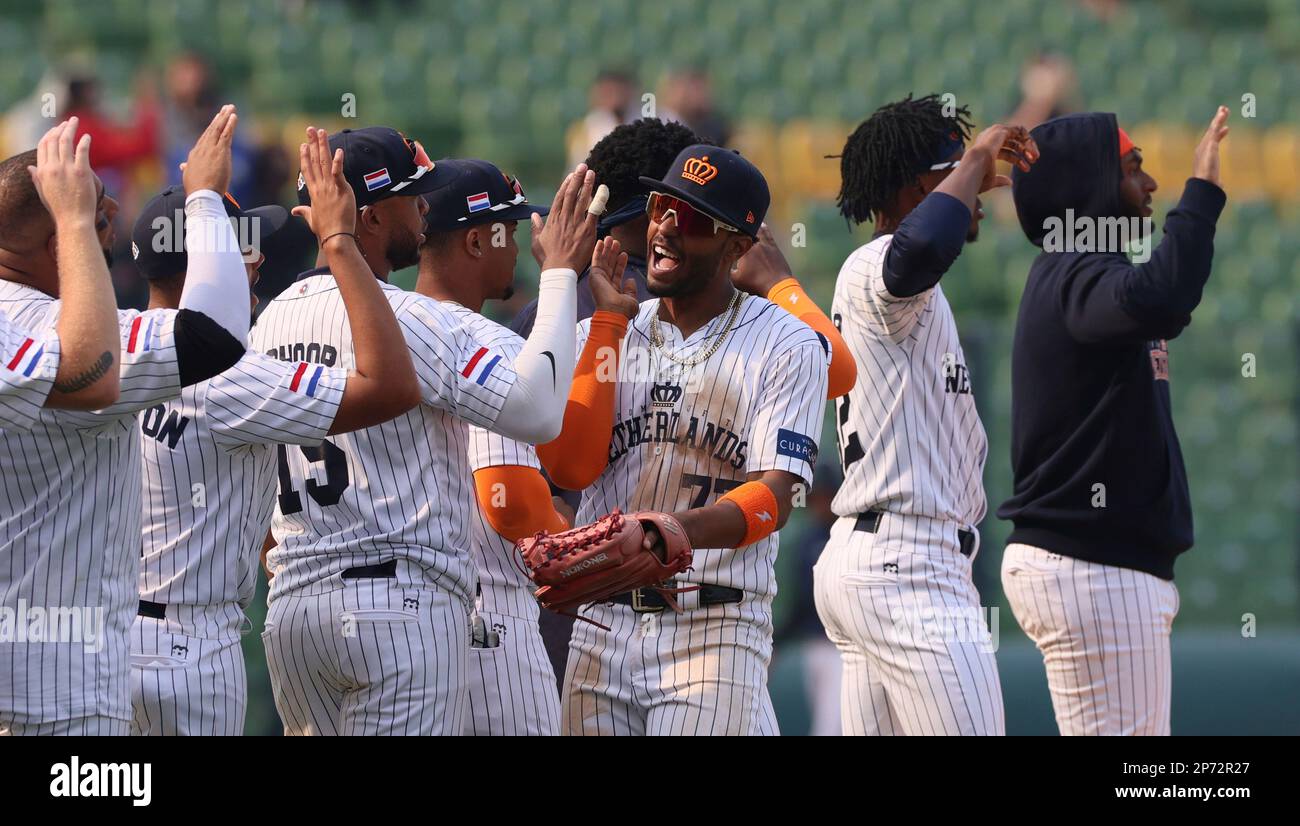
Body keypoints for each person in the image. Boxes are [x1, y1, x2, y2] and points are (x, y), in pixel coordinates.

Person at [254, 126, 597, 735]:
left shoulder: (263, 326)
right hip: (397, 605)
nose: (423, 208)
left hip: (292, 606)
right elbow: (540, 410)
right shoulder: (412, 320)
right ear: (372, 217)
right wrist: (562, 275)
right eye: (412, 196)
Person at [129, 127, 421, 735]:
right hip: (190, 650)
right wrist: (340, 242)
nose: (254, 261)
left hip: (99, 643)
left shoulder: (107, 349)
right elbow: (390, 387)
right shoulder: (231, 379)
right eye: (237, 247)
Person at [542, 144, 831, 735]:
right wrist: (607, 325)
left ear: (738, 247)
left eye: (693, 218)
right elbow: (569, 468)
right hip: (604, 625)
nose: (666, 230)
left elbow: (776, 495)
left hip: (714, 625)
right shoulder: (605, 328)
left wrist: (672, 530)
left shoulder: (787, 344)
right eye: (660, 207)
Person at [0, 106, 254, 735]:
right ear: (60, 239)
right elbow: (215, 332)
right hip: (56, 696)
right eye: (100, 223)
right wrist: (203, 201)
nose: (107, 235)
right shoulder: (51, 332)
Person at [998, 107, 1230, 736]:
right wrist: (1202, 192)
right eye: (1133, 169)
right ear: (1090, 188)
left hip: (1094, 566)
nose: (1150, 184)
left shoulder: (1077, 270)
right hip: (1095, 566)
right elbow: (1162, 295)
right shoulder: (1075, 270)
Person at [813, 94, 1037, 736]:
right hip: (907, 569)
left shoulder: (905, 296)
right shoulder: (872, 265)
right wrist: (974, 156)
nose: (976, 191)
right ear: (917, 188)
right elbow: (918, 250)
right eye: (951, 174)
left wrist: (960, 176)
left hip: (883, 560)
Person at [415, 158, 568, 735]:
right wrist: (593, 548)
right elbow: (506, 500)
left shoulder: (380, 330)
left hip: (406, 613)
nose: (521, 244)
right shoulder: (481, 341)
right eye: (511, 229)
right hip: (492, 618)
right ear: (477, 240)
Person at [0, 117, 121, 429]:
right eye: (96, 210)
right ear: (59, 247)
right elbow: (210, 335)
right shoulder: (42, 318)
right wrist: (205, 201)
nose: (115, 208)